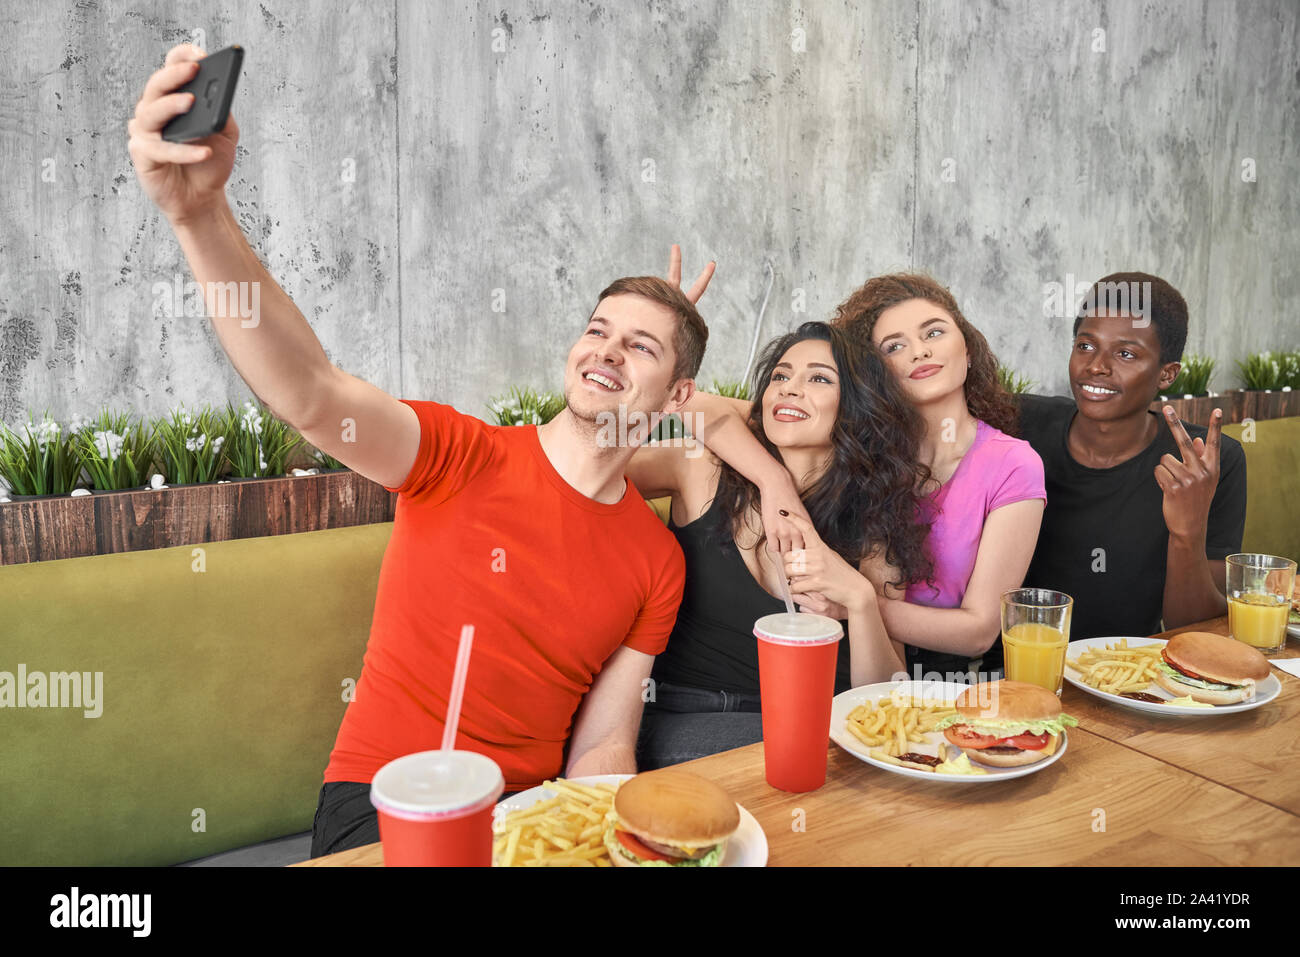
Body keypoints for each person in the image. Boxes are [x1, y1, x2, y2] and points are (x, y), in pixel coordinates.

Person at [129, 44, 714, 856]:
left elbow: (603, 746)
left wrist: (609, 842)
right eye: (596, 330)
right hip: (385, 807)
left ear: (681, 398)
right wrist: (200, 217)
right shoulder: (457, 454)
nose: (607, 352)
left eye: (641, 348)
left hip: (526, 825)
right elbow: (311, 394)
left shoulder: (657, 560)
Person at [694, 274, 1046, 682]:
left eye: (934, 332)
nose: (920, 351)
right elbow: (698, 407)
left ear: (968, 351)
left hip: (947, 678)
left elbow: (979, 632)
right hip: (843, 659)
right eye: (894, 346)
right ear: (871, 377)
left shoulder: (1011, 463)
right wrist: (774, 479)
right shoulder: (851, 440)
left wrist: (852, 605)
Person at [629, 320, 933, 769]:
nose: (790, 389)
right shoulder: (700, 470)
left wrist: (860, 600)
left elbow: (882, 700)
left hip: (816, 725)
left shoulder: (874, 522)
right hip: (688, 718)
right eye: (780, 377)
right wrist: (772, 480)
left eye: (818, 378)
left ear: (855, 409)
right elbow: (588, 463)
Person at [1018, 272, 1246, 639]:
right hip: (1015, 673)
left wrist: (1187, 532)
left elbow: (1195, 632)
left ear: (1167, 374)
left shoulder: (1207, 463)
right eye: (1086, 346)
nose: (1096, 366)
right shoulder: (1020, 426)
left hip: (1131, 677)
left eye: (1125, 354)